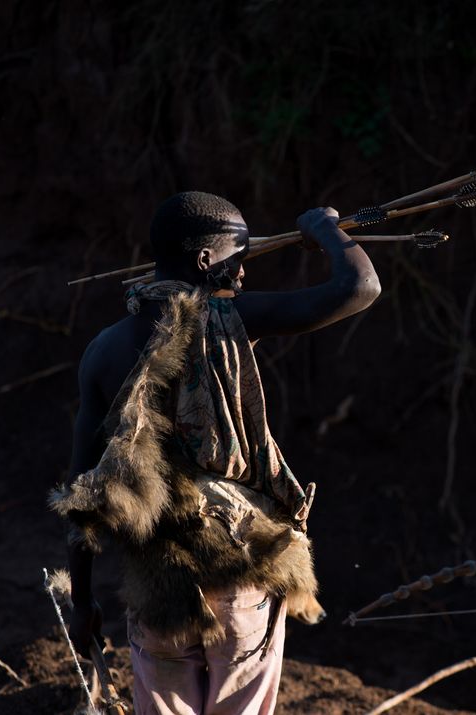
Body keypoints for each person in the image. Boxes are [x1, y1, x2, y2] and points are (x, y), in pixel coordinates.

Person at [52, 191, 380, 715]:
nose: (244, 273)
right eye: (239, 257)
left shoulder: (104, 350)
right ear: (206, 261)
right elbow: (360, 286)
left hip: (157, 591)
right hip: (240, 584)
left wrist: (85, 600)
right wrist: (325, 230)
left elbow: (82, 489)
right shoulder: (234, 321)